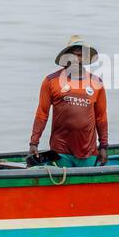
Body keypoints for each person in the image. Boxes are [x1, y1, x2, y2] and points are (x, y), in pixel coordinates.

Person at [29, 35, 109, 167]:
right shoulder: (51, 81)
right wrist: (34, 143)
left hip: (89, 151)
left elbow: (101, 117)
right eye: (74, 54)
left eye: (81, 55)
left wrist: (104, 146)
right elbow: (42, 114)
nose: (77, 58)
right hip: (61, 151)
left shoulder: (96, 83)